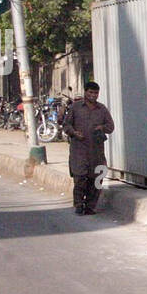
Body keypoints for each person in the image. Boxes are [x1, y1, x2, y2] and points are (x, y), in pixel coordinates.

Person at [62, 81, 115, 215]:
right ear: (85, 92)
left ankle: (90, 206)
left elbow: (111, 127)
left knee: (97, 180)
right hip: (79, 150)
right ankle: (79, 205)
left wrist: (101, 128)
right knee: (79, 178)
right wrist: (74, 133)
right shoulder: (76, 107)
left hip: (96, 152)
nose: (93, 95)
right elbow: (66, 125)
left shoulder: (102, 109)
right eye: (90, 92)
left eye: (96, 93)